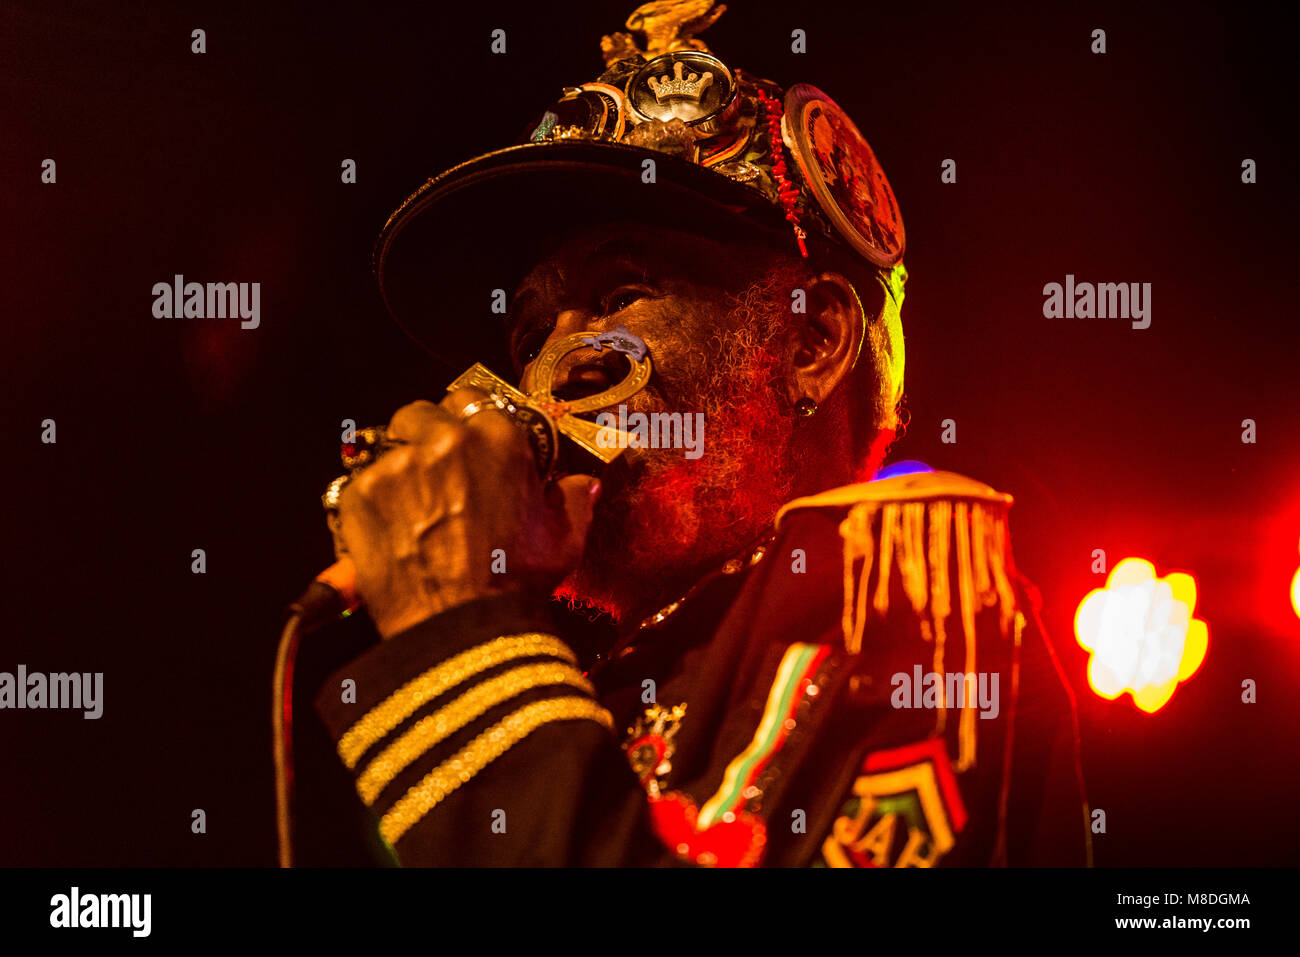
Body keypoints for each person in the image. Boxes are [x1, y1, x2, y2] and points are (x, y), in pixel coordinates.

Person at [281, 1, 1091, 868]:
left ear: (812, 342)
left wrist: (459, 626)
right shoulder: (587, 691)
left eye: (624, 294)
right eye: (527, 337)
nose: (558, 363)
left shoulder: (904, 591)